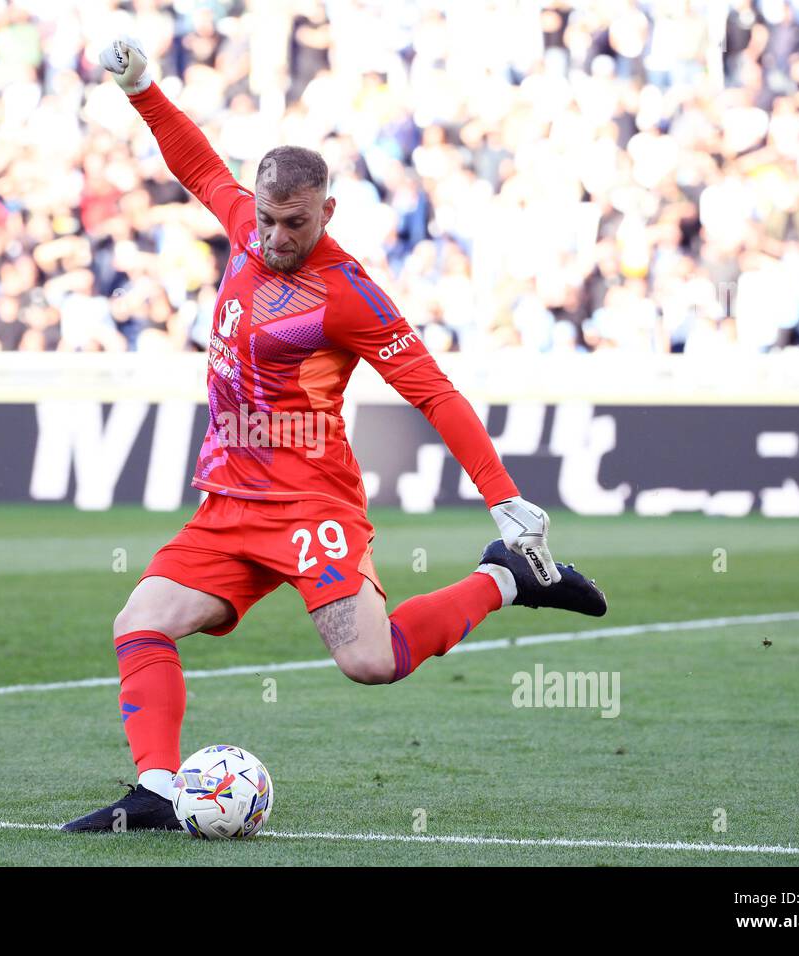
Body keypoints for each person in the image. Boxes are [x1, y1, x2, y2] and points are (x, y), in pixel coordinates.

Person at [62, 37, 608, 832]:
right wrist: (143, 88)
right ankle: (155, 788)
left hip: (311, 499)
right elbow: (196, 164)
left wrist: (504, 498)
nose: (278, 237)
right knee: (139, 622)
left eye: (296, 222)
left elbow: (433, 392)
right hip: (229, 499)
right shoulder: (245, 222)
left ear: (328, 212)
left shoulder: (347, 295)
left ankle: (509, 580)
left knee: (370, 661)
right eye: (271, 219)